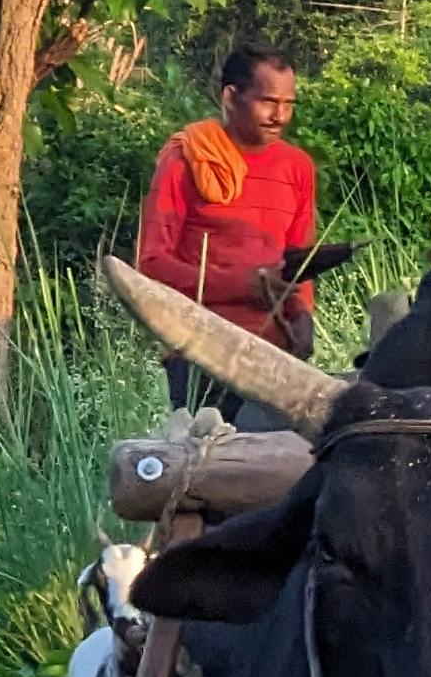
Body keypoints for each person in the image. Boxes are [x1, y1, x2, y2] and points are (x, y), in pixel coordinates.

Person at [134, 45, 321, 411]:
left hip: (276, 350)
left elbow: (300, 262)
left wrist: (303, 317)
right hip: (200, 346)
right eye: (268, 101)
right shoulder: (188, 157)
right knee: (207, 459)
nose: (279, 115)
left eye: (288, 103)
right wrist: (240, 285)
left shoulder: (297, 166)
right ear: (231, 97)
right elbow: (152, 263)